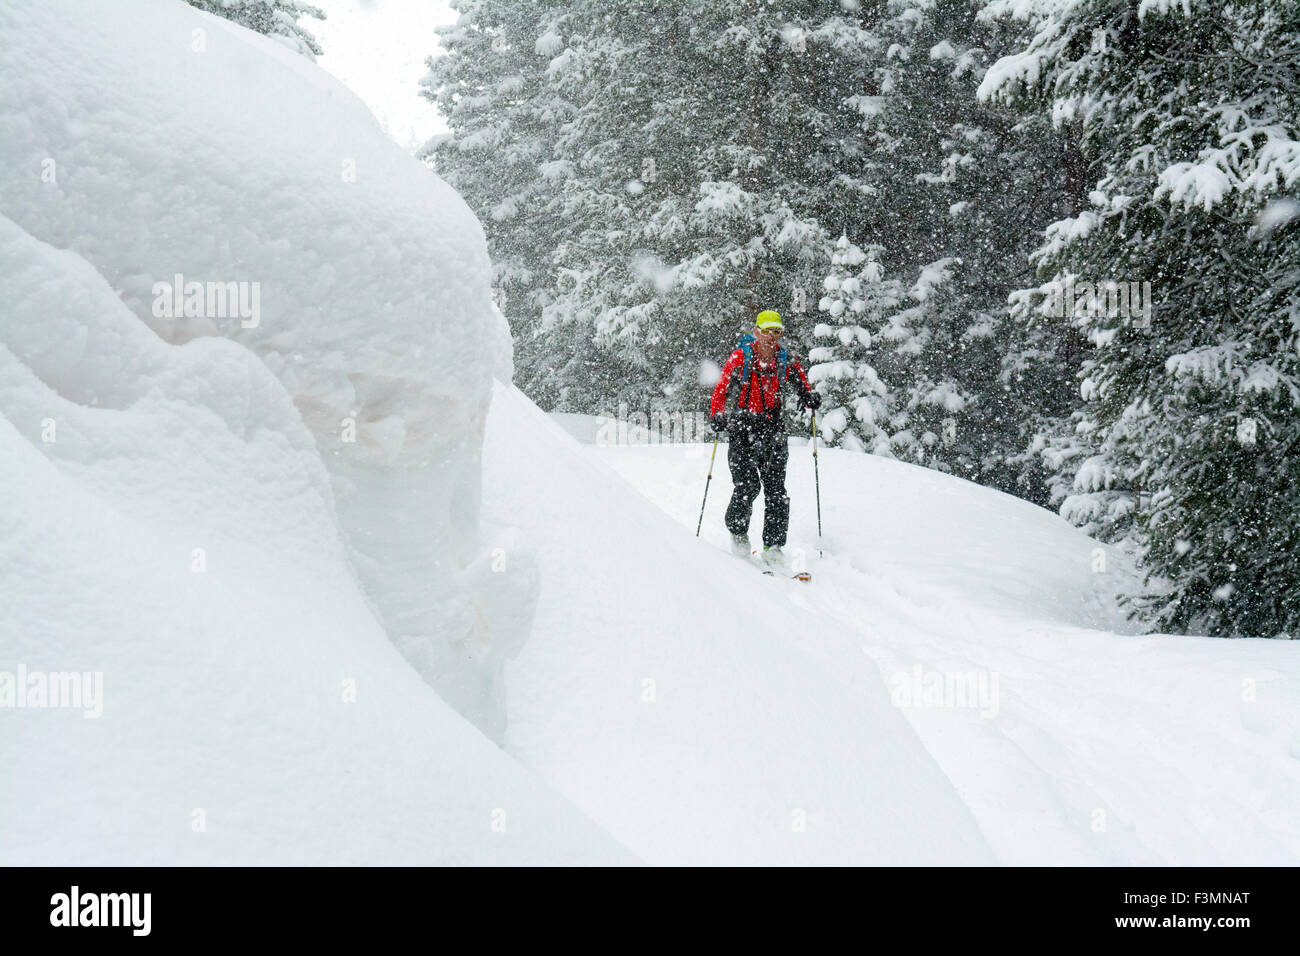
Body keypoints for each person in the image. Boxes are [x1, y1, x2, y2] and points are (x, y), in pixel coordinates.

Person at [709, 309, 821, 564]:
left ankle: (773, 546)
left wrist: (809, 398)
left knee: (776, 490)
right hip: (742, 429)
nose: (772, 337)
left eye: (777, 332)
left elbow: (802, 387)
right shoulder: (739, 358)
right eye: (767, 331)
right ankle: (738, 533)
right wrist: (717, 414)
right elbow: (720, 392)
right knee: (747, 486)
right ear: (756, 332)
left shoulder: (786, 360)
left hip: (773, 429)